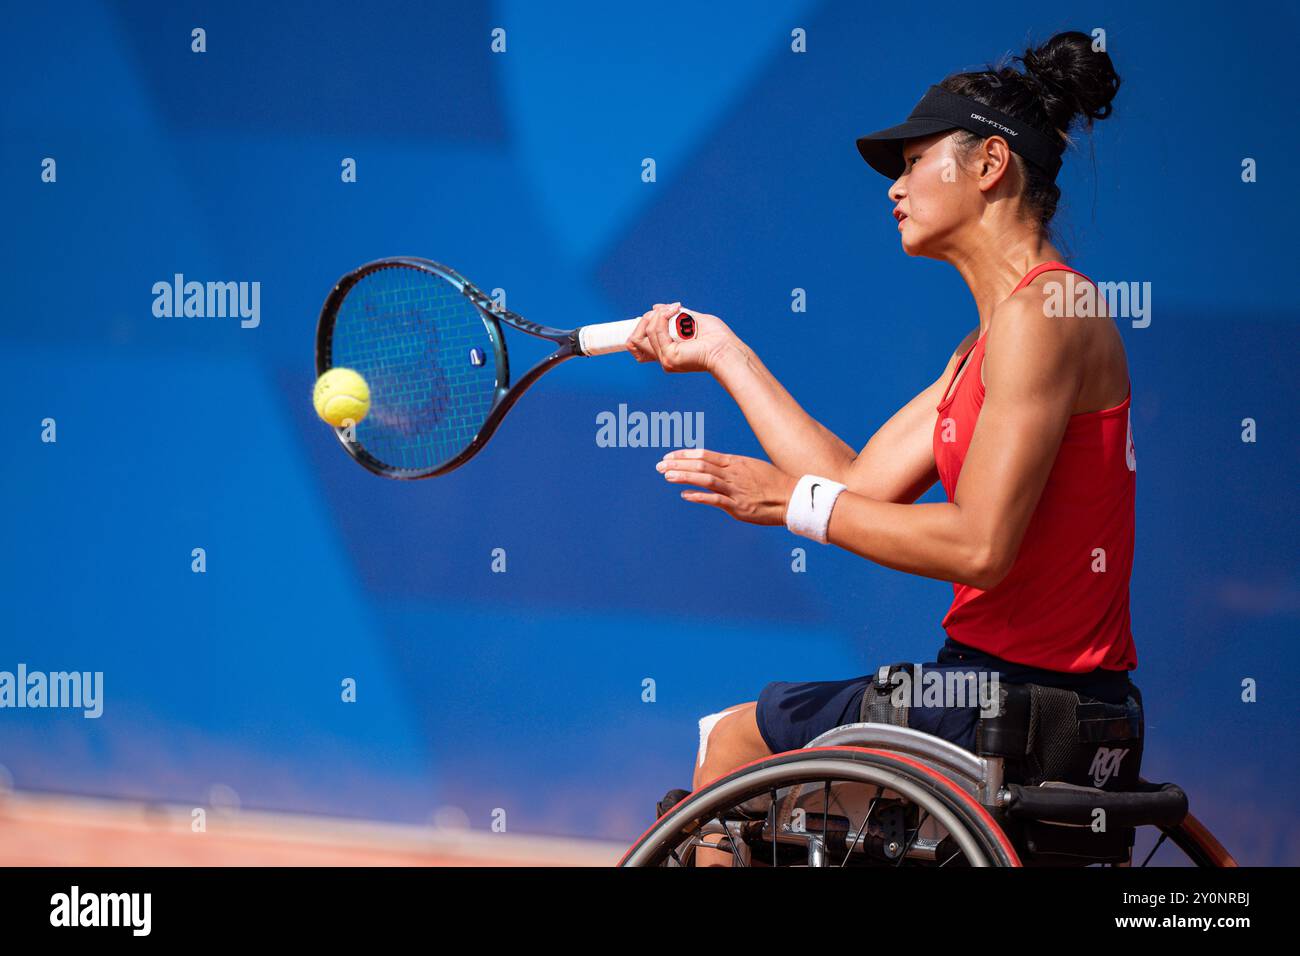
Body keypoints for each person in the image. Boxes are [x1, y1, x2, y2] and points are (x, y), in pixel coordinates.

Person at [626, 31, 1137, 832]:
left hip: (1010, 704)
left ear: (990, 165)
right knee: (776, 816)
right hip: (1007, 698)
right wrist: (725, 354)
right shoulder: (987, 344)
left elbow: (980, 548)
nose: (894, 188)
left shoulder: (1045, 314)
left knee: (728, 747)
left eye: (912, 161)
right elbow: (858, 480)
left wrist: (791, 504)